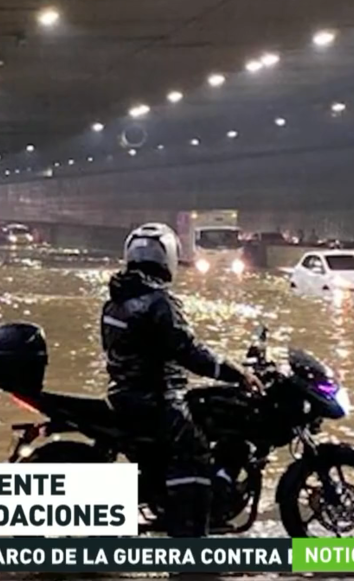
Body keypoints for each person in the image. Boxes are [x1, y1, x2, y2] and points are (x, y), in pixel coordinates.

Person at [100, 223, 264, 538]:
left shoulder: (117, 297)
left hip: (124, 393)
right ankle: (189, 535)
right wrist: (235, 373)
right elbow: (189, 351)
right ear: (168, 258)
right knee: (195, 449)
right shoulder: (158, 301)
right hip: (155, 397)